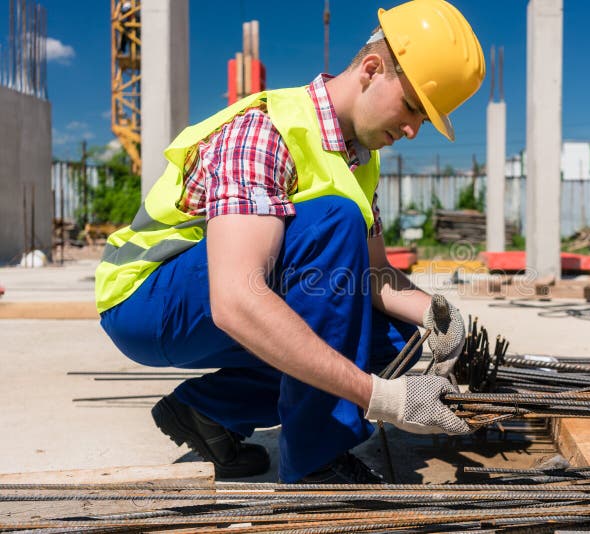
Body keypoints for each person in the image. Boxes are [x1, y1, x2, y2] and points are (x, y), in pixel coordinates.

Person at [95, 0, 485, 483]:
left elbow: (375, 273)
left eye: (423, 121)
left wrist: (435, 313)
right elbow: (237, 301)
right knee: (333, 221)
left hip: (208, 294)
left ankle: (209, 413)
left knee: (392, 338)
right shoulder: (265, 132)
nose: (410, 130)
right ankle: (315, 462)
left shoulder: (360, 158)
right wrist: (380, 398)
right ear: (371, 68)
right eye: (411, 106)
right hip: (150, 301)